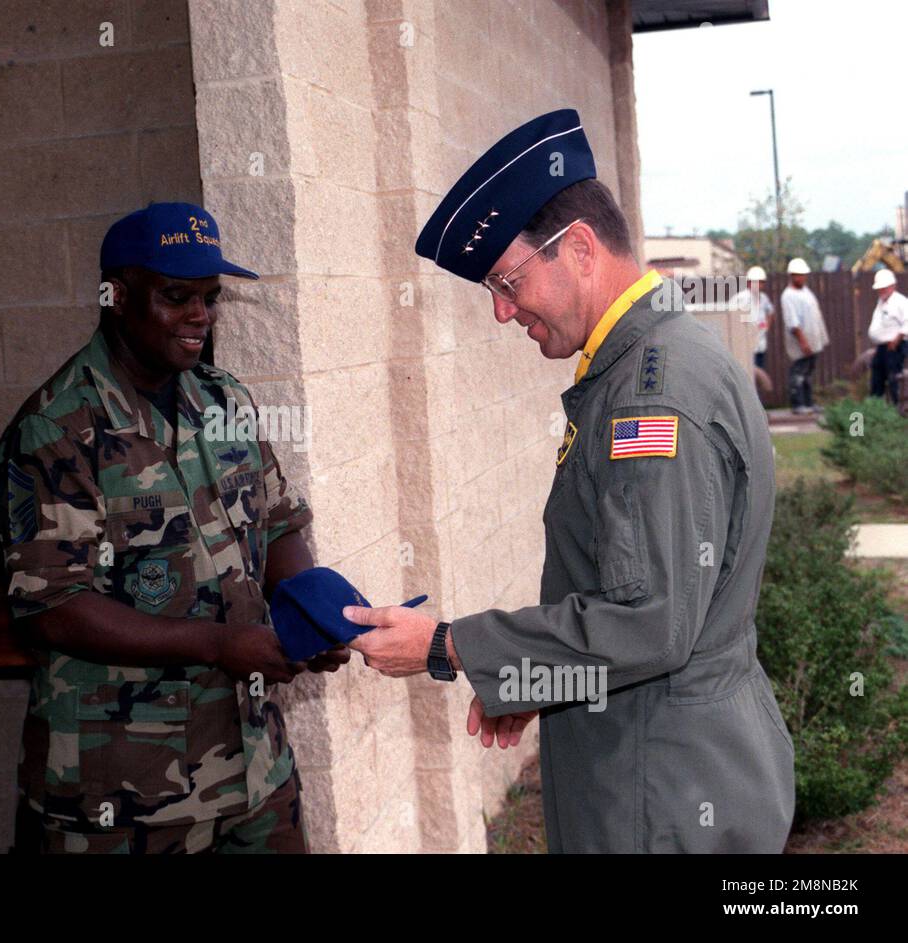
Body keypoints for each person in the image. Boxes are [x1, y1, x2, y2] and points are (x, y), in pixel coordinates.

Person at [343, 109, 794, 853]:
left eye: (508, 280)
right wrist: (532, 680)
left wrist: (448, 646)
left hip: (660, 792)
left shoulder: (649, 396)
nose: (499, 311)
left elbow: (650, 621)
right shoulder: (654, 362)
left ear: (579, 249)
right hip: (670, 764)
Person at [0, 202, 345, 854]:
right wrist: (216, 643)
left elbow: (277, 521)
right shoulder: (56, 429)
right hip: (124, 794)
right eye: (176, 295)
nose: (200, 315)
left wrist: (313, 611)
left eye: (210, 297)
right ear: (116, 297)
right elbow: (52, 608)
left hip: (252, 768)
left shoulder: (223, 399)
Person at [780, 257, 829, 414]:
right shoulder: (788, 296)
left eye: (803, 274)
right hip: (801, 342)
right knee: (798, 374)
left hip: (812, 340)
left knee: (808, 374)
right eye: (798, 275)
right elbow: (793, 323)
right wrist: (803, 342)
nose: (802, 277)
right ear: (792, 275)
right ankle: (798, 405)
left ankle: (809, 403)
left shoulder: (805, 291)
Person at [867, 268, 906, 404]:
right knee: (877, 375)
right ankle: (875, 407)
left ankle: (897, 408)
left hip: (895, 346)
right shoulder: (881, 302)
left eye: (884, 287)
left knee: (893, 377)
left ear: (892, 286)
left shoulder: (900, 302)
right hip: (883, 347)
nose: (881, 290)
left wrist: (896, 340)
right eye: (880, 288)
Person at [730, 265, 773, 372]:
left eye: (761, 282)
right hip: (745, 348)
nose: (759, 285)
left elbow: (771, 312)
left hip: (760, 346)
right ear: (749, 282)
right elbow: (731, 318)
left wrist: (766, 326)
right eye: (756, 282)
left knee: (758, 376)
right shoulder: (740, 298)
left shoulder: (763, 298)